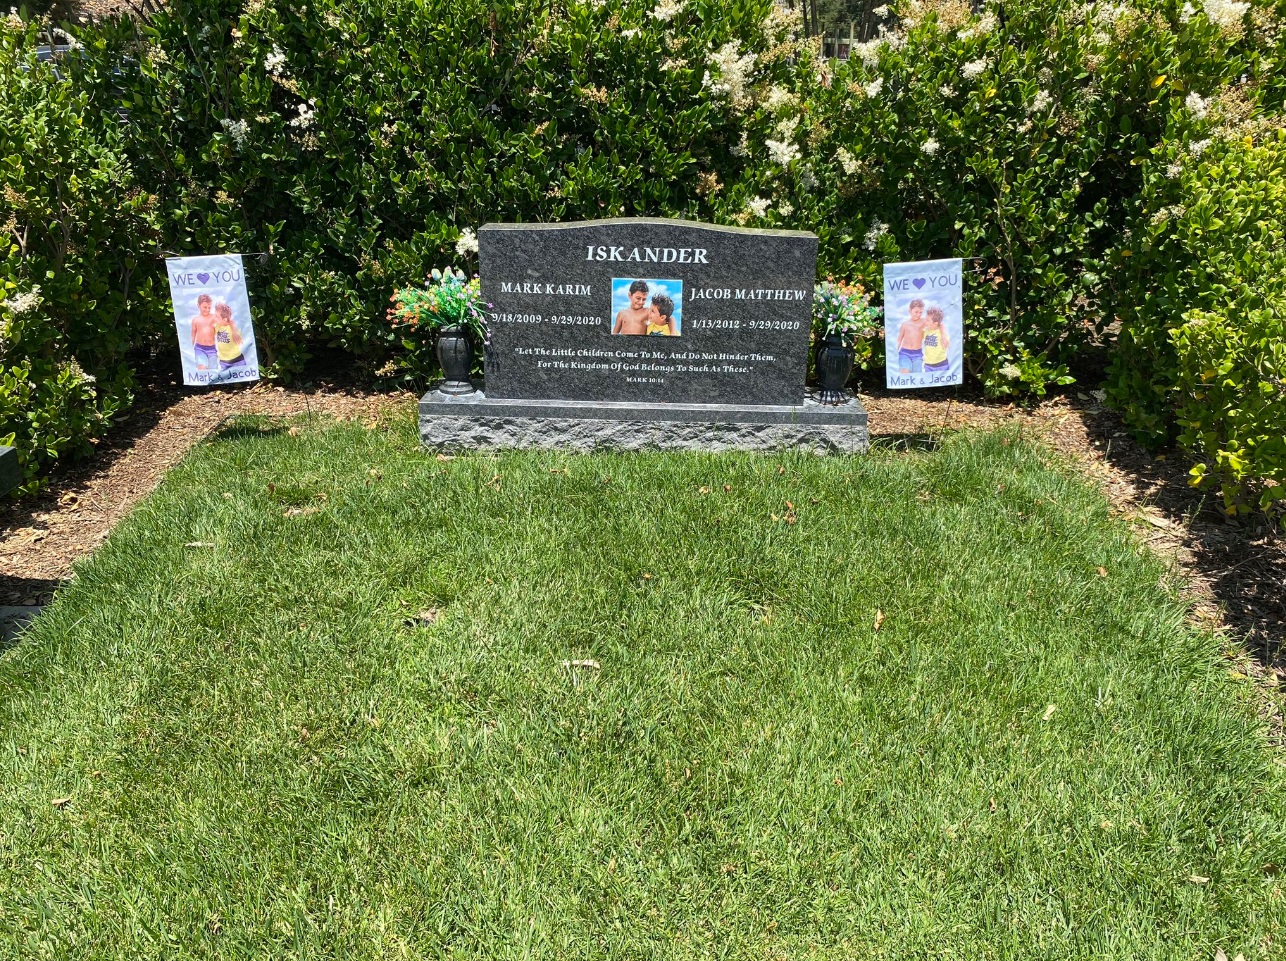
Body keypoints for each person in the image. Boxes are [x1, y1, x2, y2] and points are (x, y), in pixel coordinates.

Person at [212, 301, 247, 371]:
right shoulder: (217, 327)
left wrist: (235, 332)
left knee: (242, 378)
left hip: (237, 360)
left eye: (216, 316)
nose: (214, 318)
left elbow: (231, 321)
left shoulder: (233, 329)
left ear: (224, 319)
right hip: (223, 362)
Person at [896, 298, 927, 373]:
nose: (918, 314)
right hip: (904, 353)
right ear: (910, 310)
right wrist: (894, 352)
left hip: (918, 354)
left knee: (916, 375)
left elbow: (936, 321)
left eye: (920, 312)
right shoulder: (905, 324)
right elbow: (899, 339)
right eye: (916, 312)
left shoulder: (923, 321)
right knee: (904, 371)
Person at [189, 294, 219, 371]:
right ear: (198, 305)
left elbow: (221, 327)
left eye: (209, 307)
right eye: (205, 307)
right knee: (202, 368)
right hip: (200, 348)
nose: (207, 310)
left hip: (212, 349)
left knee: (213, 370)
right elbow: (193, 335)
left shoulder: (214, 317)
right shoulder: (195, 320)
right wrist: (189, 349)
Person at [921, 306, 950, 373]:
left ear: (935, 323)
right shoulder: (926, 331)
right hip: (928, 365)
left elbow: (946, 345)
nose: (925, 321)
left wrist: (943, 335)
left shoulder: (943, 334)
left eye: (927, 320)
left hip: (942, 365)